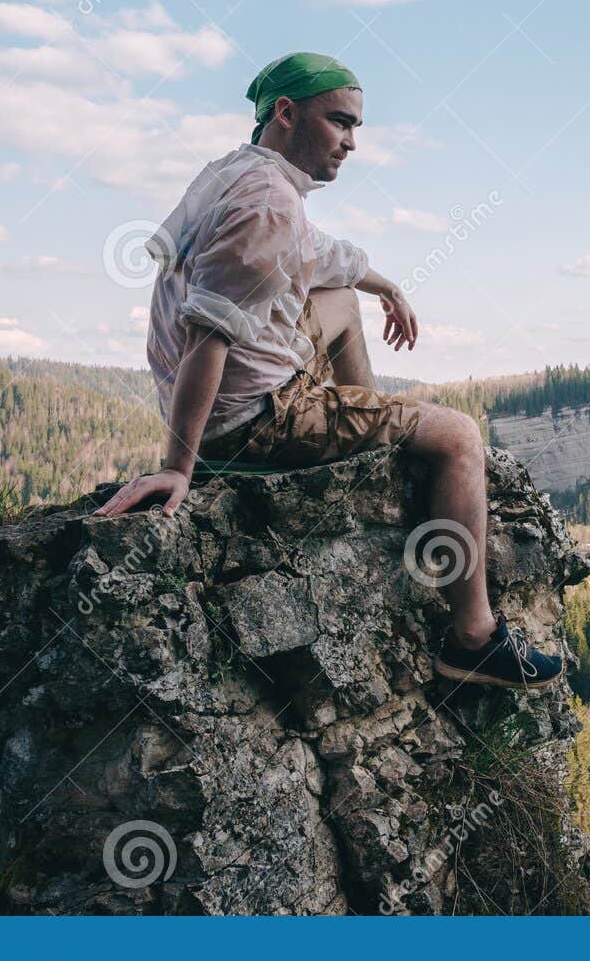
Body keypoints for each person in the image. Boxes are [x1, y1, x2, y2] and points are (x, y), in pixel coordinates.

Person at [92, 52, 559, 691]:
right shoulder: (267, 205)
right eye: (341, 123)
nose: (351, 143)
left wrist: (385, 284)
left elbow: (320, 257)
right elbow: (208, 337)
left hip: (246, 390)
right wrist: (179, 466)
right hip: (255, 419)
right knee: (459, 437)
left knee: (338, 300)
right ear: (287, 113)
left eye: (356, 127)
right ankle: (472, 637)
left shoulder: (241, 173)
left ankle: (367, 431)